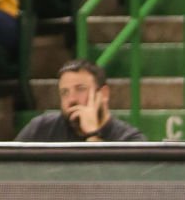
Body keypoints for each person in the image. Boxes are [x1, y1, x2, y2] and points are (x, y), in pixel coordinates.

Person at [15, 60, 145, 142]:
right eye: (64, 92)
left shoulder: (129, 140)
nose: (72, 99)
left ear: (103, 94)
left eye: (81, 89)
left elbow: (106, 183)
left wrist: (93, 134)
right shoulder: (41, 129)